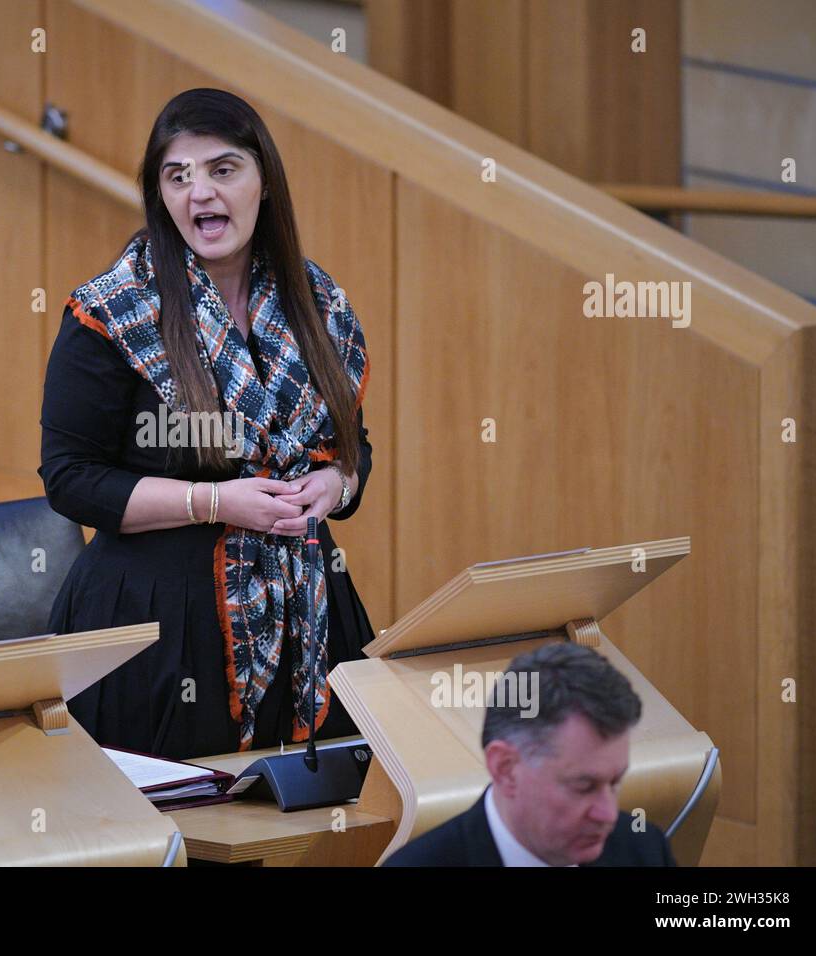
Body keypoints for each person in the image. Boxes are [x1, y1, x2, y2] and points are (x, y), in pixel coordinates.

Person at [39, 88, 376, 760]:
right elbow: (72, 480)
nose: (200, 193)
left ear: (264, 182)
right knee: (184, 839)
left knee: (319, 822)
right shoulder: (111, 312)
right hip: (158, 622)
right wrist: (216, 501)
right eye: (178, 176)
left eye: (222, 169)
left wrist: (335, 485)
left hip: (308, 605)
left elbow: (352, 445)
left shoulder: (317, 301)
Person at [383, 642, 677, 866]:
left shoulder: (644, 851)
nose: (608, 813)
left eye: (614, 783)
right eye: (584, 786)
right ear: (506, 768)